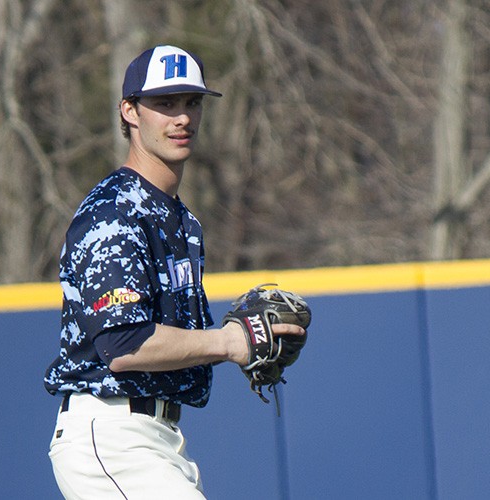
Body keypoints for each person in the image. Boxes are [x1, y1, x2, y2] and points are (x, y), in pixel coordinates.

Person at [43, 45, 306, 499]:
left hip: (155, 438)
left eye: (191, 102)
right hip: (111, 434)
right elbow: (123, 343)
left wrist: (236, 343)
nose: (182, 117)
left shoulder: (180, 219)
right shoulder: (115, 212)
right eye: (165, 103)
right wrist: (229, 342)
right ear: (129, 111)